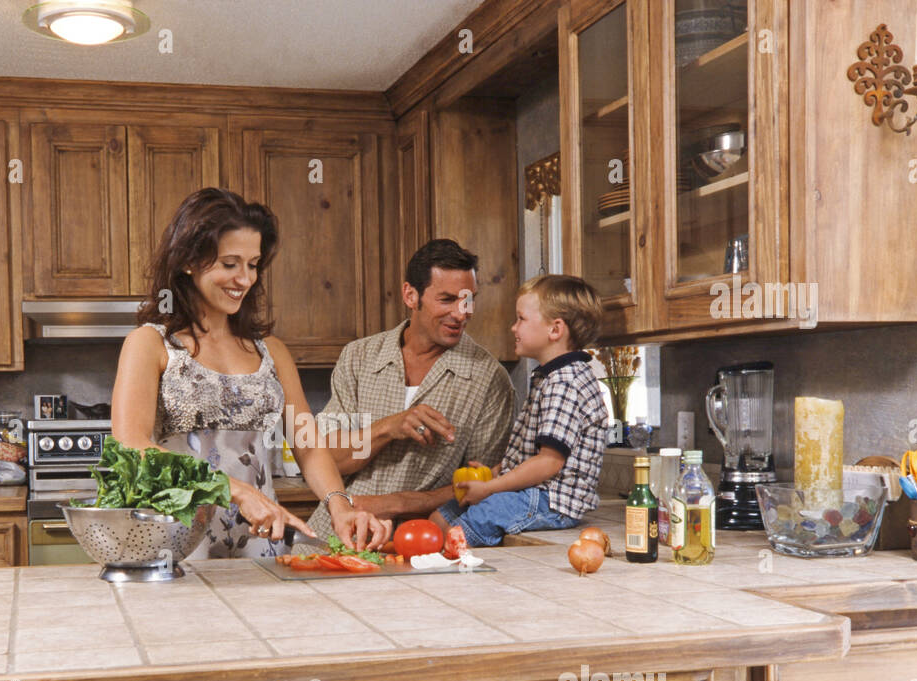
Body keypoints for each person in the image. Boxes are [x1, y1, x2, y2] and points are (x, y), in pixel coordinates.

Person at [110, 188, 392, 558]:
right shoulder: (151, 344)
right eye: (229, 264)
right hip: (177, 544)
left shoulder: (270, 350)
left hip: (261, 543)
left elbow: (307, 444)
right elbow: (133, 447)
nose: (244, 279)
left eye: (253, 264)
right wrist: (237, 491)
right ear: (189, 261)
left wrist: (340, 505)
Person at [307, 239, 515, 540]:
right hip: (330, 535)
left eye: (468, 299)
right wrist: (388, 428)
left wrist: (393, 504)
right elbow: (329, 459)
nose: (461, 313)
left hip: (415, 546)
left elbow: (483, 488)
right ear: (410, 295)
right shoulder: (359, 357)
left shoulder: (489, 380)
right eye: (447, 299)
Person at [429, 273, 609, 545]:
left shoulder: (566, 382)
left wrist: (490, 488)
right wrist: (496, 473)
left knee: (480, 517)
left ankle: (446, 560)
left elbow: (549, 462)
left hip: (553, 500)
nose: (513, 328)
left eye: (521, 319)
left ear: (555, 330)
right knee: (442, 516)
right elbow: (530, 455)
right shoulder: (548, 377)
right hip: (531, 491)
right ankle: (428, 553)